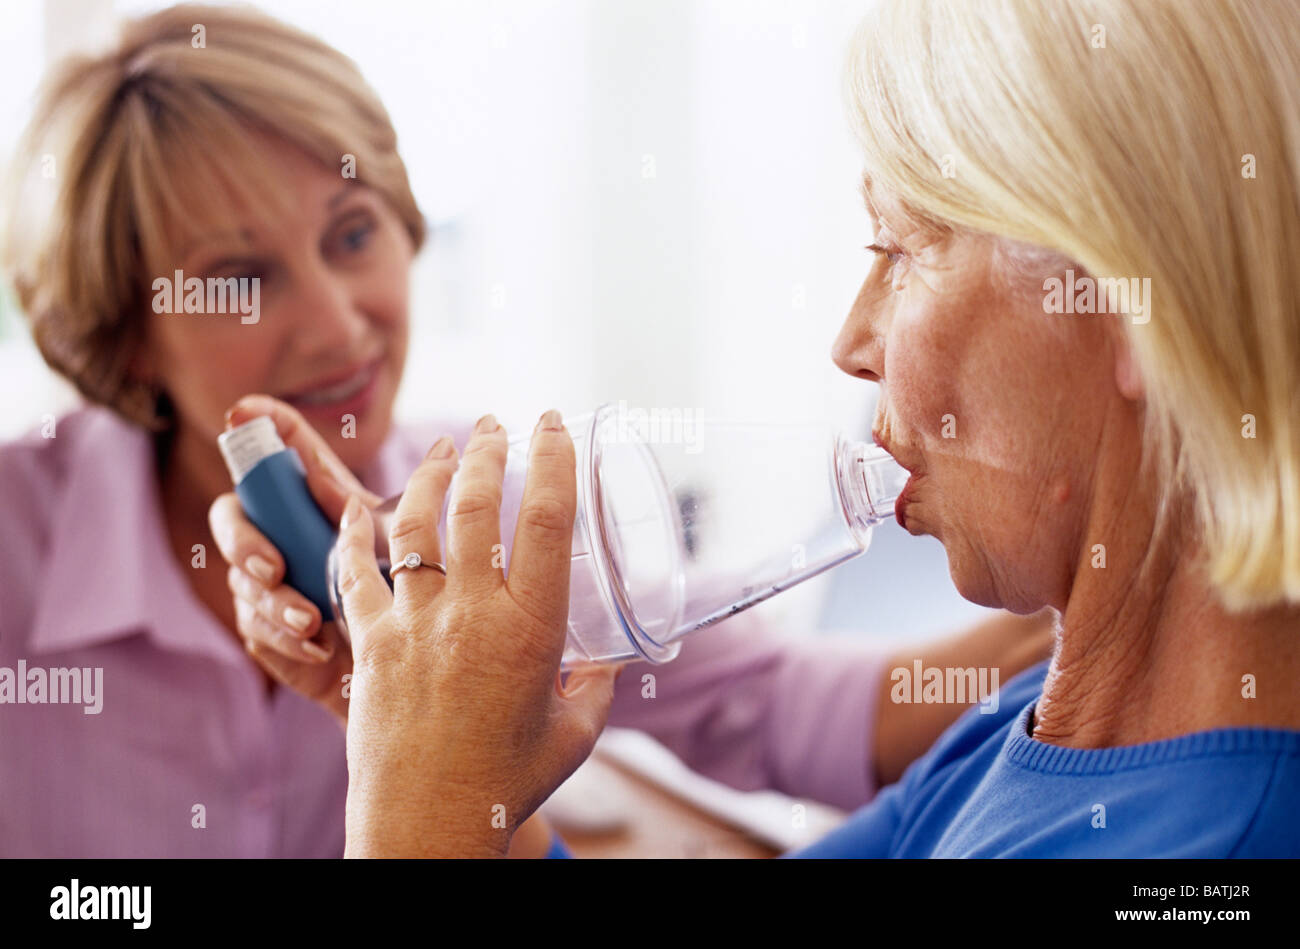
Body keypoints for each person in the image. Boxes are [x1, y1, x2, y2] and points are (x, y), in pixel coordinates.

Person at [0, 2, 1048, 858]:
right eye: (242, 277)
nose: (337, 320)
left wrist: (1111, 584)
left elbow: (785, 711)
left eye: (352, 233)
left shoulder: (483, 512)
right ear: (126, 332)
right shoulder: (15, 541)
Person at [310, 0, 1300, 857]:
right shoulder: (1044, 716)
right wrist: (443, 767)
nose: (850, 341)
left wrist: (415, 823)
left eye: (901, 247)